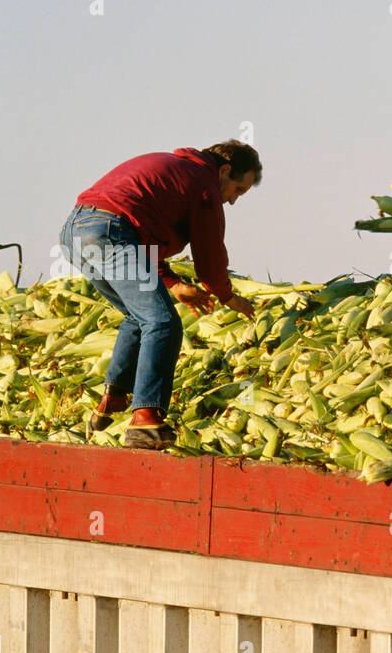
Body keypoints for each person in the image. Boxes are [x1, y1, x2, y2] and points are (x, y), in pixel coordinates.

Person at [57, 142, 259, 449]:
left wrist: (172, 283)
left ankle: (112, 405)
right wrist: (228, 296)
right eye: (238, 190)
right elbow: (210, 253)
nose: (231, 201)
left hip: (76, 232)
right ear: (226, 170)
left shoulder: (180, 172)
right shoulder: (203, 183)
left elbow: (143, 228)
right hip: (110, 231)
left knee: (138, 318)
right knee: (163, 322)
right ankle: (146, 420)